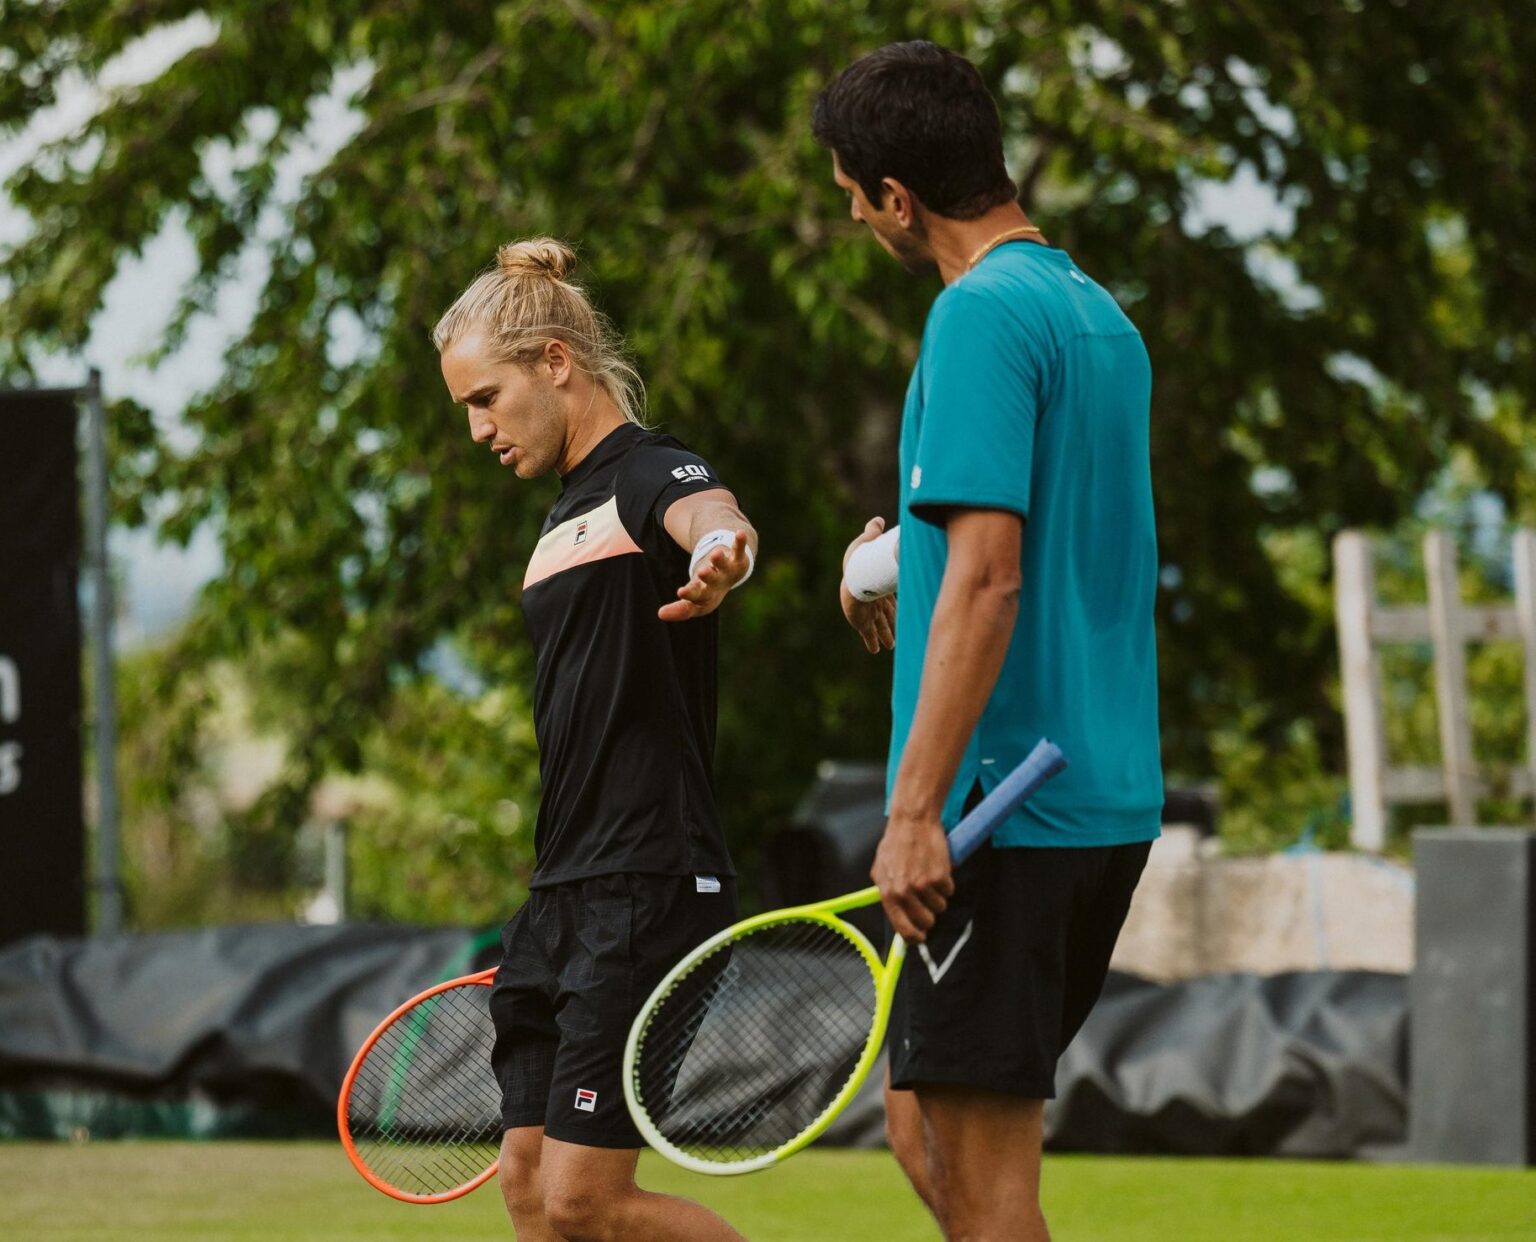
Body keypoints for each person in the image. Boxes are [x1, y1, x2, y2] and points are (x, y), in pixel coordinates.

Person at [813, 42, 1163, 1242]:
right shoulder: (1094, 314)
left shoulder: (976, 317)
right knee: (922, 1126)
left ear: (898, 197)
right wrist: (895, 561)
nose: (860, 219)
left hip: (999, 809)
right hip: (1100, 795)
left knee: (986, 1182)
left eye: (858, 199)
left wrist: (913, 812)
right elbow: (1033, 546)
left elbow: (993, 580)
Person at [433, 238, 753, 1242]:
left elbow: (711, 511)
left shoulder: (646, 471)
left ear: (556, 365)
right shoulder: (564, 510)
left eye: (487, 397)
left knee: (588, 1199)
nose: (478, 429)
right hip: (560, 894)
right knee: (529, 1191)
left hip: (646, 885)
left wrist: (718, 552)